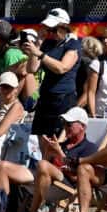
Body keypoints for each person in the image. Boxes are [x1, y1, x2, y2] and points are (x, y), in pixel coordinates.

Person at [5, 107, 98, 212]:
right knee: (4, 166)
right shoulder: (62, 145)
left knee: (43, 165)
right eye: (64, 124)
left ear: (82, 126)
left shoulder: (89, 148)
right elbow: (44, 169)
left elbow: (78, 177)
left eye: (69, 124)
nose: (65, 127)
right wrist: (48, 151)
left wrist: (59, 154)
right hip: (49, 182)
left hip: (68, 185)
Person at [25, 8, 81, 140]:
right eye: (49, 29)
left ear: (64, 28)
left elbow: (62, 68)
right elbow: (32, 69)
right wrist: (38, 44)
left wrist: (40, 54)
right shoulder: (47, 44)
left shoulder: (73, 45)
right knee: (40, 136)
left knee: (58, 139)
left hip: (63, 98)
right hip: (45, 97)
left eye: (54, 30)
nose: (52, 33)